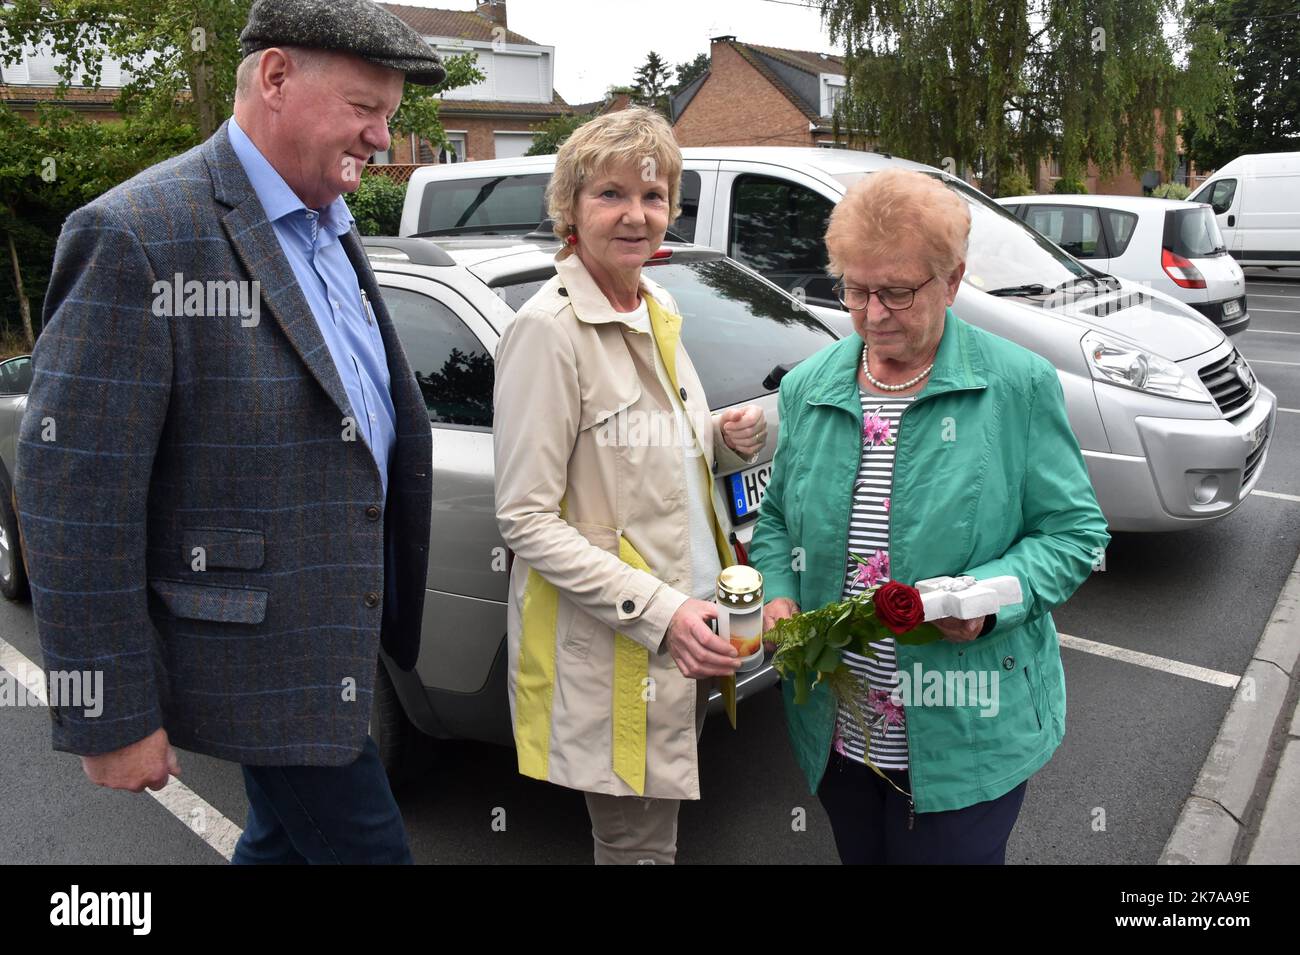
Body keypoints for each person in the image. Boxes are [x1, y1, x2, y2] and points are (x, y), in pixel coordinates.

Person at [16, 0, 444, 864]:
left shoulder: (331, 223)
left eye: (390, 118)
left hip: (335, 639)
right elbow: (75, 495)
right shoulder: (137, 234)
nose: (380, 139)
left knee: (282, 844)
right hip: (257, 662)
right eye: (366, 110)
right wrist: (110, 712)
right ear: (277, 77)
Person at [750, 168, 1110, 864]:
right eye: (856, 289)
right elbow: (774, 526)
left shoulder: (1016, 384)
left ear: (951, 281)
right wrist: (777, 594)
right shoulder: (809, 387)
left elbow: (1074, 536)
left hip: (968, 736)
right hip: (840, 733)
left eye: (899, 292)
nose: (874, 314)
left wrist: (985, 598)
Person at [493, 107, 767, 864]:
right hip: (623, 646)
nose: (635, 214)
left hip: (693, 633)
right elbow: (524, 517)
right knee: (636, 847)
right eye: (610, 194)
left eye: (652, 195)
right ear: (571, 210)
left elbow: (646, 458)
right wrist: (662, 610)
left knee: (652, 838)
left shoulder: (658, 304)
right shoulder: (547, 331)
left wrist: (716, 438)